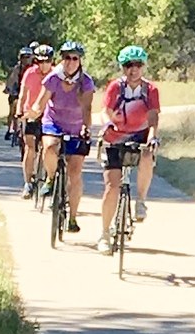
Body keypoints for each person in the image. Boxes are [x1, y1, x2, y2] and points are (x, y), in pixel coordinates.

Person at [96, 46, 162, 253]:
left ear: (143, 66)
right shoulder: (115, 87)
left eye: (138, 65)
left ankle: (141, 201)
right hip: (115, 136)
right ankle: (104, 234)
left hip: (139, 135)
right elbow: (105, 111)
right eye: (128, 65)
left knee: (147, 154)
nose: (133, 70)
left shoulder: (150, 90)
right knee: (112, 186)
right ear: (122, 67)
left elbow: (153, 118)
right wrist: (107, 125)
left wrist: (152, 137)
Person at [28, 41, 96, 232]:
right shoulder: (53, 78)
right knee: (50, 146)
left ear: (80, 61)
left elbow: (87, 108)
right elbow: (41, 102)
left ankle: (72, 218)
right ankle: (50, 178)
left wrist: (86, 127)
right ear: (62, 59)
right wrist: (33, 112)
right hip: (54, 122)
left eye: (75, 58)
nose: (70, 62)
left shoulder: (85, 82)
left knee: (75, 174)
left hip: (76, 126)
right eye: (67, 58)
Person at [16, 44, 54, 193]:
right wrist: (19, 111)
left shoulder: (55, 75)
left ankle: (50, 178)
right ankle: (27, 183)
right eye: (40, 61)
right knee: (30, 147)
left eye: (47, 61)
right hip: (30, 113)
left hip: (48, 115)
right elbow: (23, 94)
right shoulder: (30, 73)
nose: (44, 65)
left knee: (49, 147)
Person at [3, 47, 33, 139]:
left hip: (30, 91)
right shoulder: (17, 68)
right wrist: (8, 88)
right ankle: (10, 129)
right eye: (24, 57)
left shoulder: (34, 69)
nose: (26, 59)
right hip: (18, 90)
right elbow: (12, 79)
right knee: (13, 110)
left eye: (28, 57)